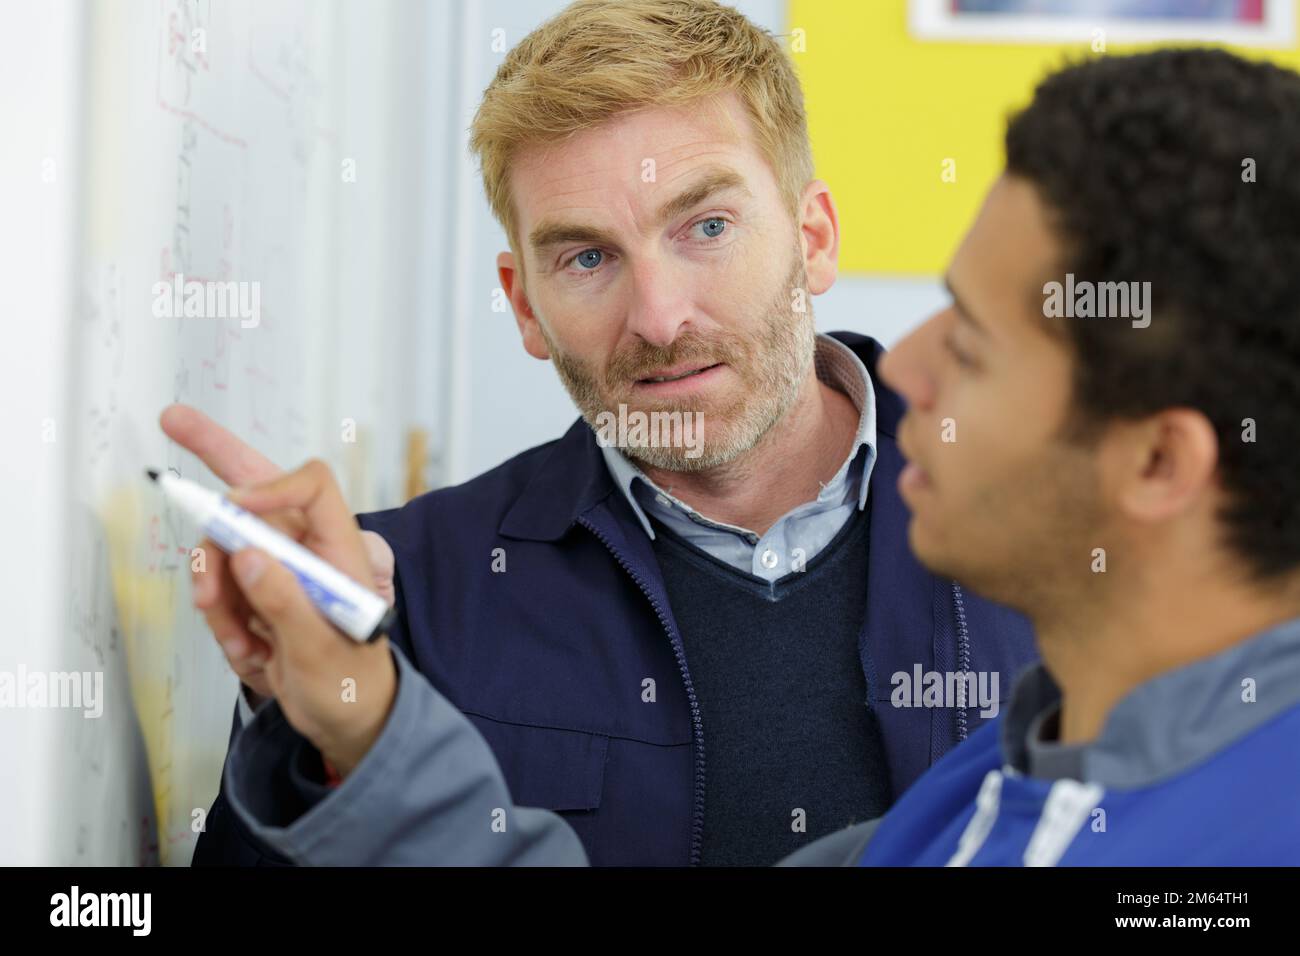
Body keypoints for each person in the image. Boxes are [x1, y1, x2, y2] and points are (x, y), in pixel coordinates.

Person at [202, 46, 1300, 865]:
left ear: (811, 237)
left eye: (707, 227)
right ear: (521, 301)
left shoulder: (1066, 612)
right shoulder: (993, 787)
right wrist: (338, 718)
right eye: (586, 255)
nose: (660, 314)